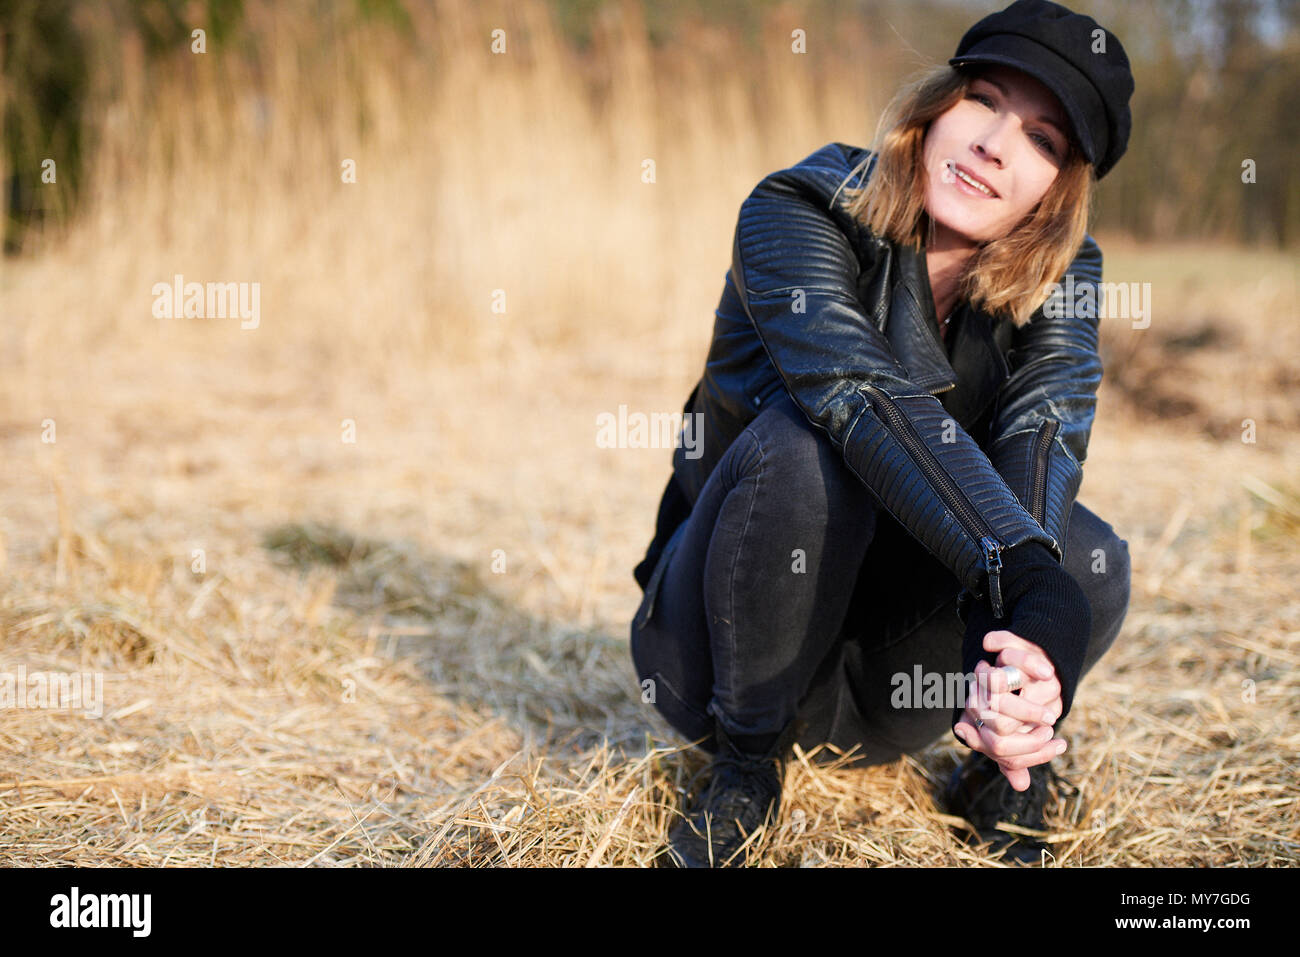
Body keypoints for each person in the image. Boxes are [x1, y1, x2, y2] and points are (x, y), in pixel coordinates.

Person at [628, 0, 1136, 867]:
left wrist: (1027, 635)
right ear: (937, 105)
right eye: (983, 100)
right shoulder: (802, 209)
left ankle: (999, 766)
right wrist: (1014, 567)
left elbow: (1047, 424)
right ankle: (744, 769)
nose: (994, 144)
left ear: (1062, 187)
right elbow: (858, 393)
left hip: (890, 686)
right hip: (726, 651)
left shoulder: (1065, 276)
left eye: (1044, 140)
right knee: (803, 447)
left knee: (1090, 558)